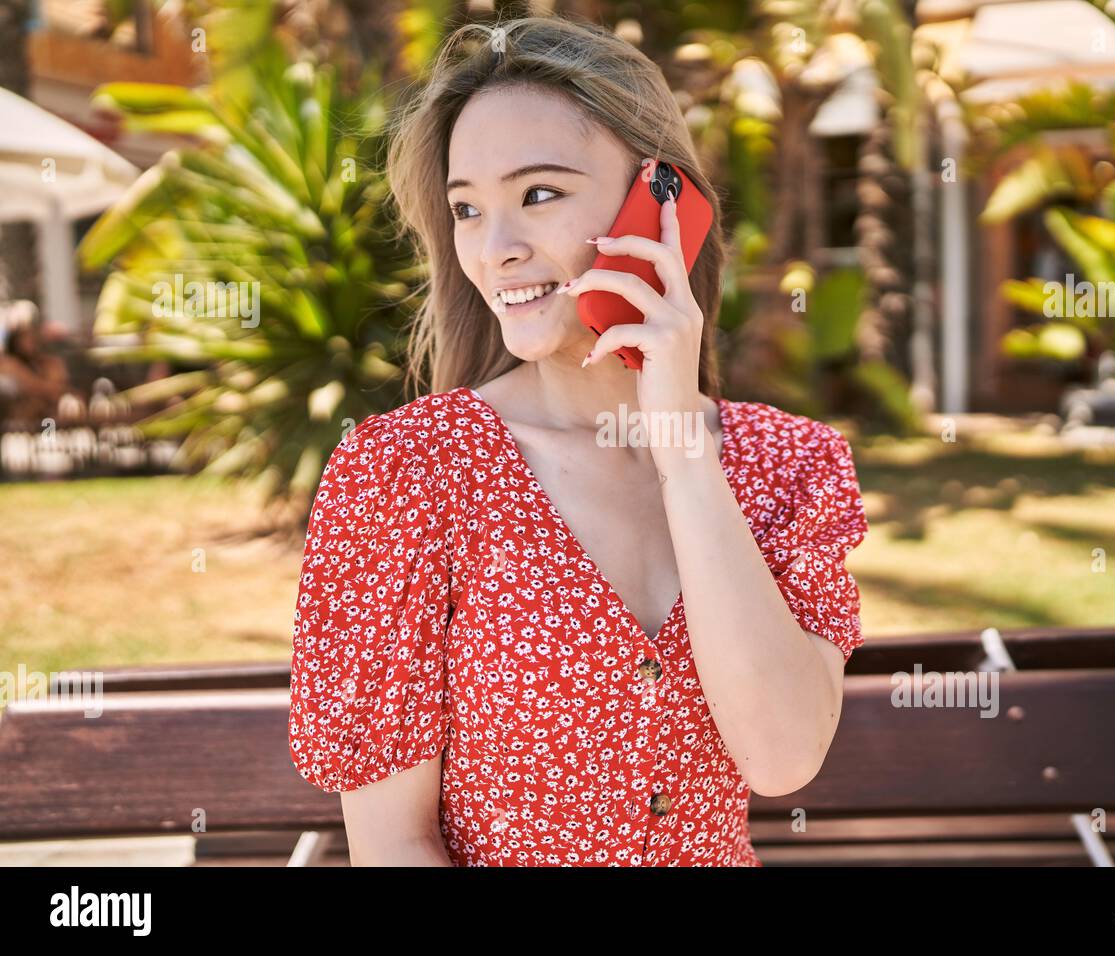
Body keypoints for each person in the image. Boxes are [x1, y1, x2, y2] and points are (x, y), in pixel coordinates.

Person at [288, 14, 870, 867]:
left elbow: (780, 758)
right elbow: (396, 845)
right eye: (466, 210)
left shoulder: (789, 465)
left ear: (660, 202)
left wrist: (680, 444)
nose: (497, 250)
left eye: (540, 194)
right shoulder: (405, 472)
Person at [0, 302, 72, 427]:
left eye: (33, 334)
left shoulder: (47, 362)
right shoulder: (8, 363)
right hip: (15, 428)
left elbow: (56, 387)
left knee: (67, 406)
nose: (30, 340)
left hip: (44, 422)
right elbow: (38, 387)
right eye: (24, 335)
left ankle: (49, 440)